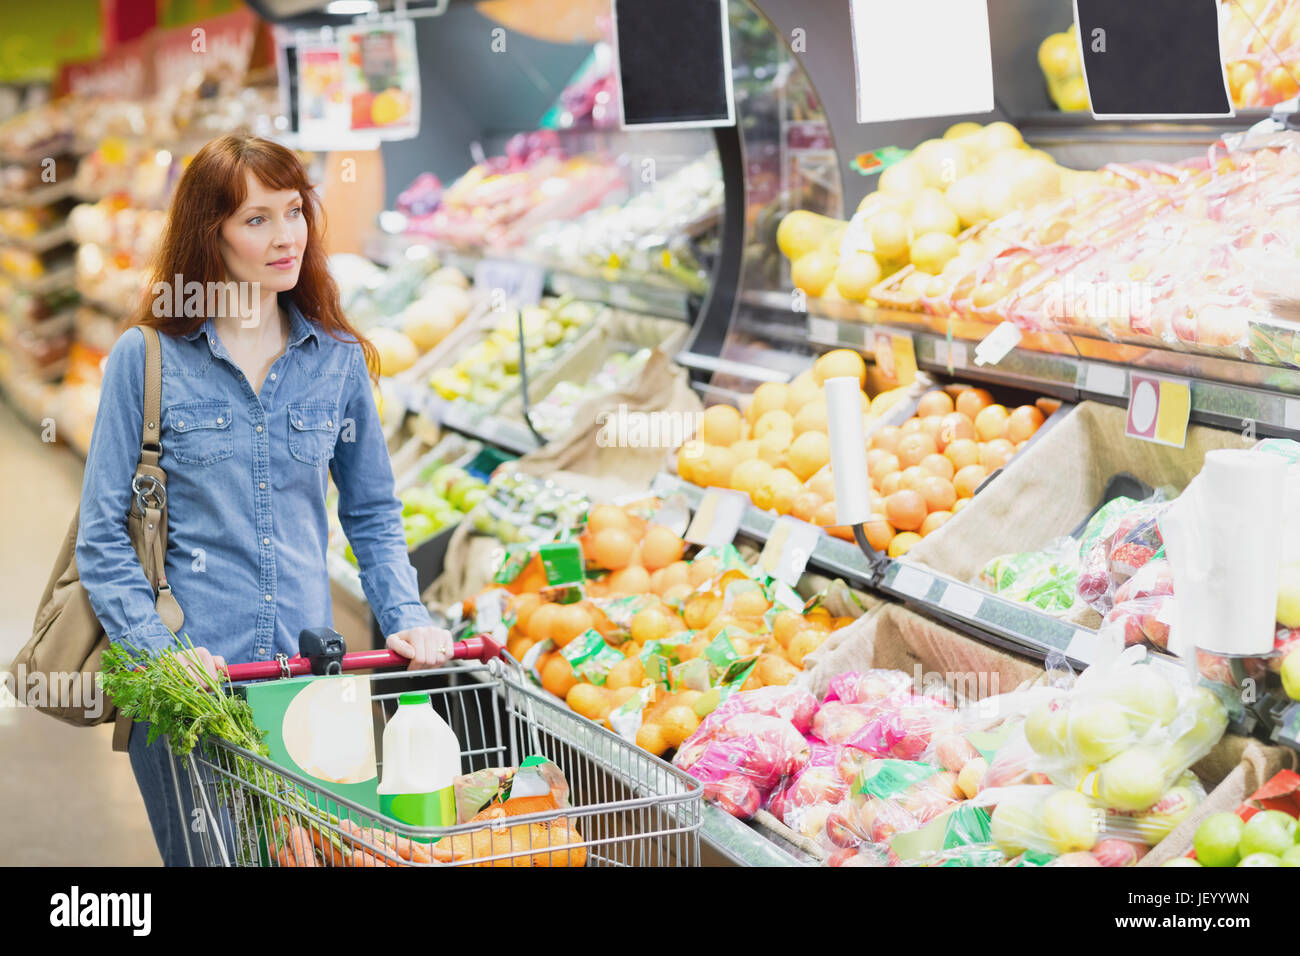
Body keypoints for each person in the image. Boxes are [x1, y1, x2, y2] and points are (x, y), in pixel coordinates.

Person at [76, 133, 453, 865]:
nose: (286, 237)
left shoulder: (336, 360)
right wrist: (163, 657)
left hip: (312, 688)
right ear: (208, 235)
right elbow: (101, 538)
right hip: (194, 693)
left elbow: (372, 512)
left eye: (294, 211)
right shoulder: (147, 359)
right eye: (256, 220)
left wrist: (406, 614)